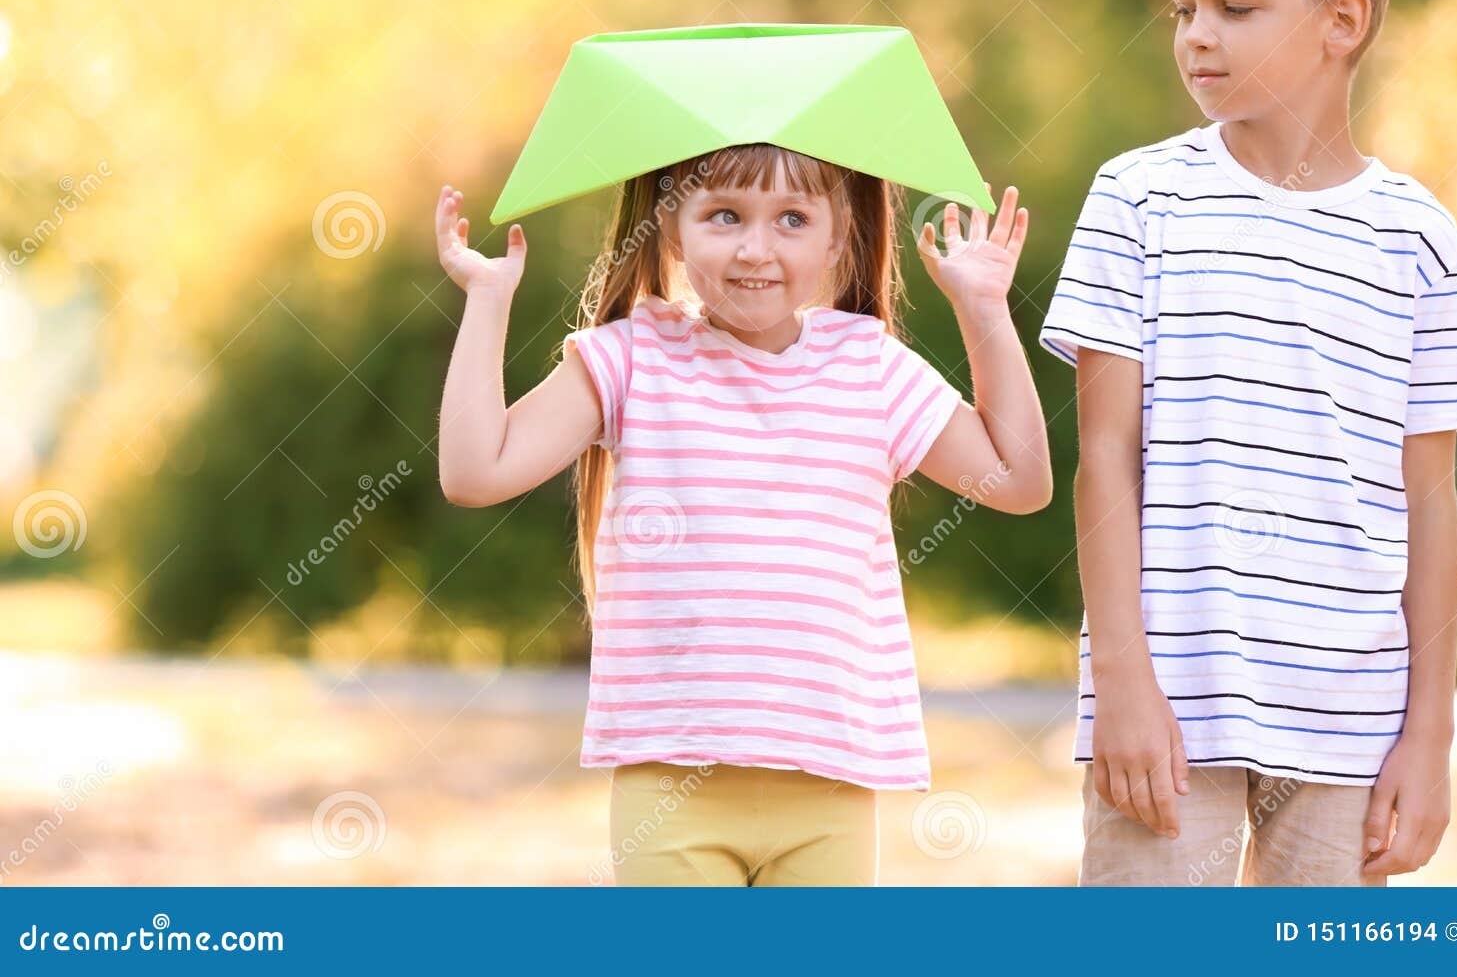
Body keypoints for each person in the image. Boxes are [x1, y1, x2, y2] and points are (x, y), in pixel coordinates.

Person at [1040, 0, 1457, 886]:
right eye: (1183, 7)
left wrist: (1428, 739)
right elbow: (1104, 456)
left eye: (1233, 7)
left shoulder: (1418, 238)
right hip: (1166, 713)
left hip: (1353, 730)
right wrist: (1123, 685)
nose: (1196, 35)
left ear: (1344, 21)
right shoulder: (1136, 199)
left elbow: (1431, 500)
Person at [437, 133, 1049, 884]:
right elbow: (475, 470)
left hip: (831, 784)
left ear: (837, 238)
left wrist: (983, 308)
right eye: (724, 214)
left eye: (792, 218)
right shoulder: (634, 359)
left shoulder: (870, 367)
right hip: (670, 789)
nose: (756, 248)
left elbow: (1019, 480)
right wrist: (487, 301)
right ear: (671, 228)